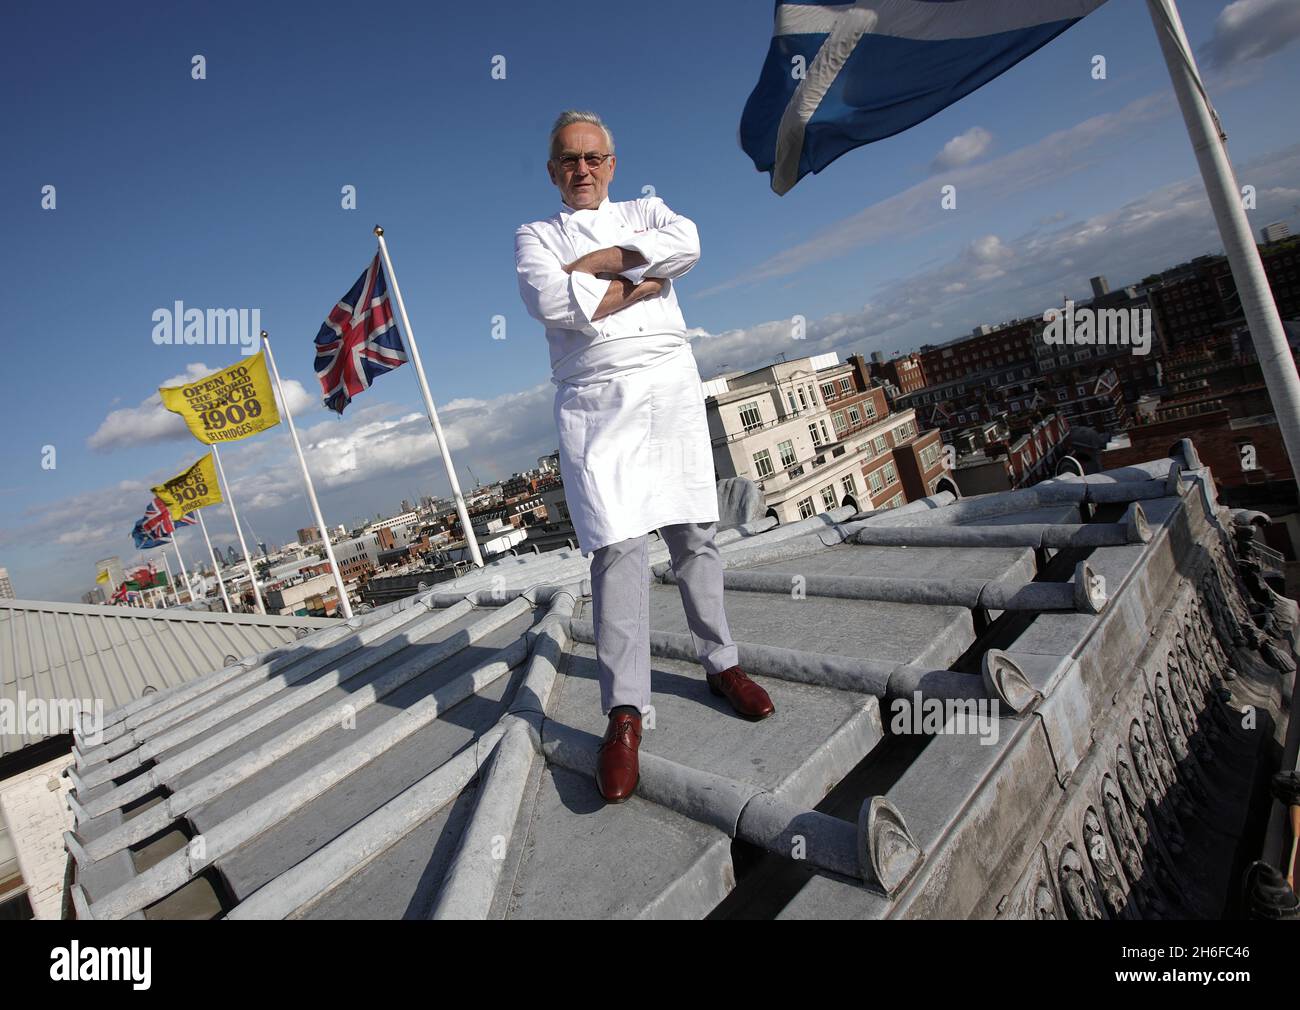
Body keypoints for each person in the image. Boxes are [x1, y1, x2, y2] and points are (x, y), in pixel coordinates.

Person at [514, 110, 775, 805]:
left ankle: (722, 662)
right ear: (552, 172)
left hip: (667, 385)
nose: (583, 170)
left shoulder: (648, 207)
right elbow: (552, 298)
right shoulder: (536, 235)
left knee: (695, 532)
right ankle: (625, 712)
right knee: (619, 550)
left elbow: (686, 243)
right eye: (569, 160)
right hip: (596, 402)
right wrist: (645, 275)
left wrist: (598, 267)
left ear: (613, 162)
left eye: (594, 157)